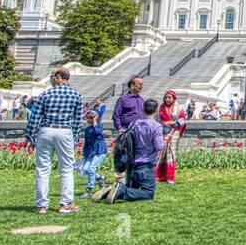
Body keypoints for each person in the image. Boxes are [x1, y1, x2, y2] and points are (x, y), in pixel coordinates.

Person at [25, 67, 85, 214]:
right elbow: (78, 121)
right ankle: (66, 203)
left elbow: (35, 118)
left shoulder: (45, 94)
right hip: (65, 131)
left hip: (45, 130)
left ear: (58, 77)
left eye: (52, 76)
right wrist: (75, 138)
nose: (51, 79)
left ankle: (41, 205)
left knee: (43, 169)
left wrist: (29, 137)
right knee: (66, 169)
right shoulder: (76, 95)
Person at [93, 98, 163, 203]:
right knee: (148, 192)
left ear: (143, 109)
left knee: (132, 189)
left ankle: (110, 191)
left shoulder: (134, 124)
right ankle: (120, 191)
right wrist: (166, 141)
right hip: (146, 163)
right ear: (156, 110)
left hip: (131, 163)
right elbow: (159, 146)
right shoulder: (156, 126)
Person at [156, 90, 185, 184]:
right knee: (160, 154)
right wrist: (164, 124)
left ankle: (169, 177)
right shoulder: (160, 108)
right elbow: (157, 120)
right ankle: (158, 176)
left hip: (174, 133)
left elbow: (182, 120)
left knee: (171, 155)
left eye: (170, 98)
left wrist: (172, 124)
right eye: (166, 98)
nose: (167, 99)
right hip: (163, 133)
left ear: (174, 98)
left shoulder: (179, 108)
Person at [79, 111, 107, 198]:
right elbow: (86, 143)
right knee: (85, 169)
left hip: (99, 151)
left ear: (96, 118)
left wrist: (95, 122)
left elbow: (98, 132)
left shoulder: (99, 126)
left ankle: (89, 189)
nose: (89, 119)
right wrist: (85, 154)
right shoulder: (87, 129)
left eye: (91, 117)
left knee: (91, 169)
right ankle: (100, 178)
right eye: (88, 117)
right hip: (91, 152)